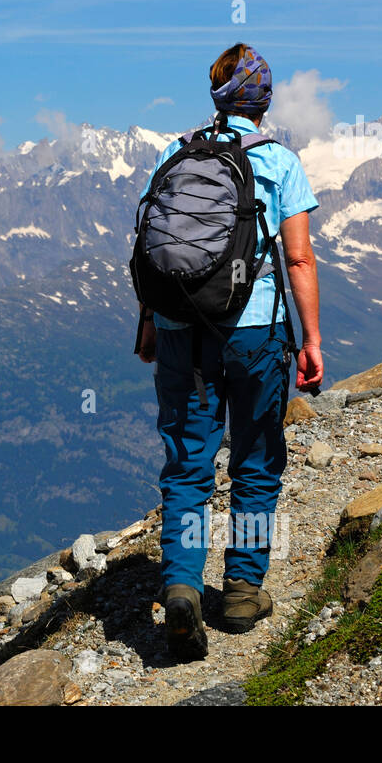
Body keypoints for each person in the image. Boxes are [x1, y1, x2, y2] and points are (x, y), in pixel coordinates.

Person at [136, 43, 323, 661]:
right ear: (264, 100)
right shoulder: (278, 161)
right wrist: (312, 339)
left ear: (215, 96)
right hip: (255, 332)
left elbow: (152, 251)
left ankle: (184, 587)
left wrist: (149, 325)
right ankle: (242, 592)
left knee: (188, 463)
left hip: (180, 330)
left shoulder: (175, 154)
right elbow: (297, 256)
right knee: (255, 457)